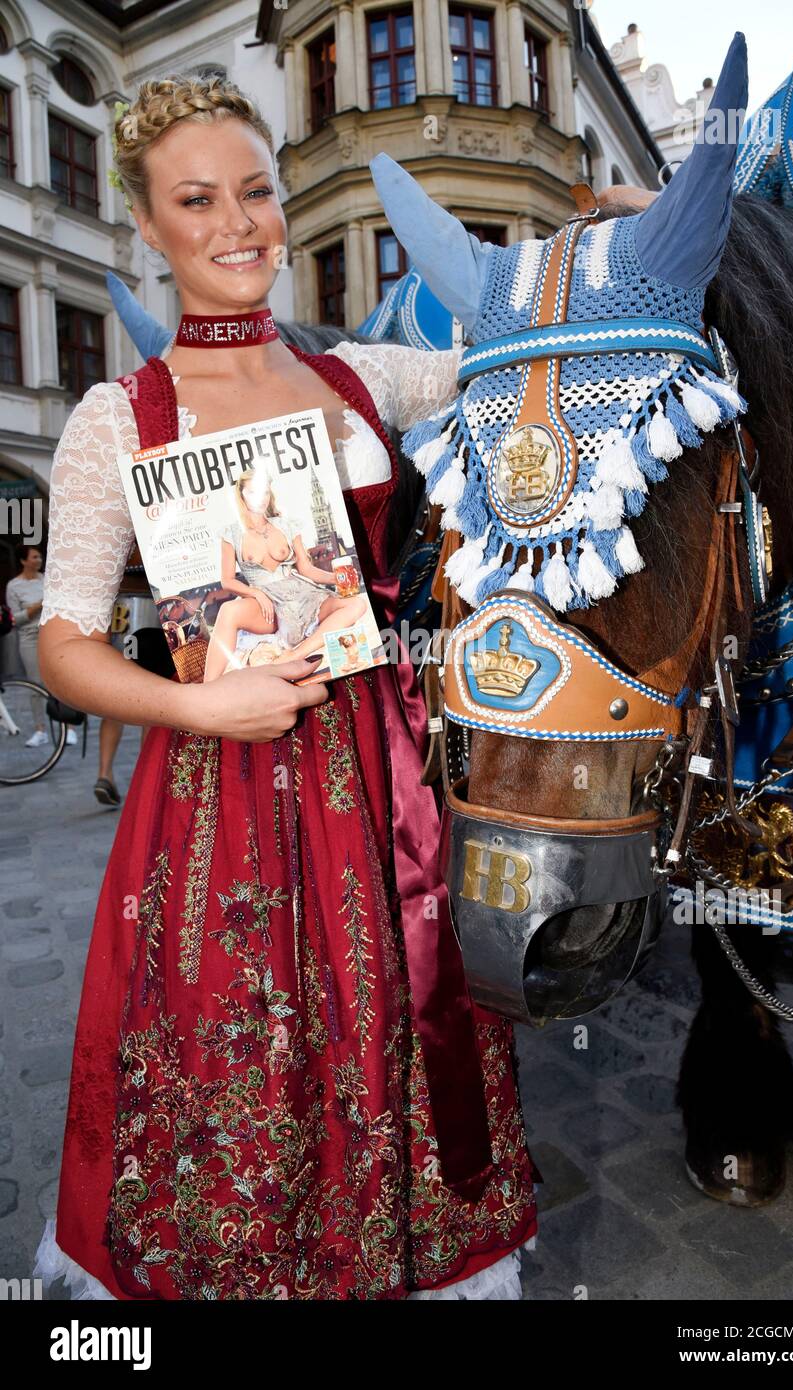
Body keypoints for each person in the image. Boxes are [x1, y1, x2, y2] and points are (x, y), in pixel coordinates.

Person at [33, 73, 538, 1302]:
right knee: (234, 1043)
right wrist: (199, 705)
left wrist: (607, 229)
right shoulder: (118, 417)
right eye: (197, 200)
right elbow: (65, 644)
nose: (239, 223)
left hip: (381, 775)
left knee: (395, 1025)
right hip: (214, 792)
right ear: (148, 228)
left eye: (256, 191)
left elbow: (517, 351)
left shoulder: (369, 379)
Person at [203, 469, 365, 681]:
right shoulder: (231, 533)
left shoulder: (286, 525)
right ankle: (208, 688)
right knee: (228, 610)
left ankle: (296, 654)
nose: (260, 499)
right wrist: (257, 594)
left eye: (264, 493)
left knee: (357, 604)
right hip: (266, 601)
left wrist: (336, 578)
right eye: (252, 492)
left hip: (303, 594)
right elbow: (227, 580)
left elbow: (306, 569)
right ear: (241, 495)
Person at [6, 544, 77, 747]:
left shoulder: (49, 580)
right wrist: (39, 605)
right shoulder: (14, 586)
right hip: (29, 639)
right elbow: (14, 619)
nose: (39, 560)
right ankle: (40, 730)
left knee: (62, 681)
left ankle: (69, 728)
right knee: (35, 686)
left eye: (40, 557)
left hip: (53, 635)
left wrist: (32, 608)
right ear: (23, 561)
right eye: (35, 557)